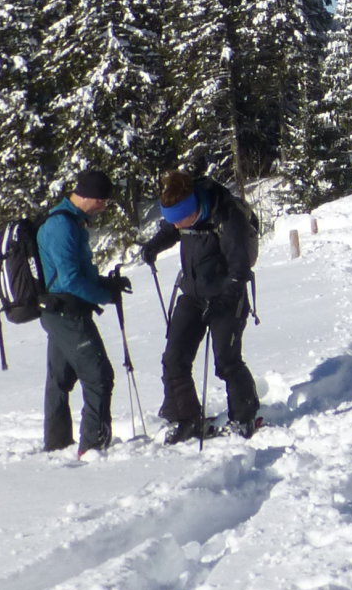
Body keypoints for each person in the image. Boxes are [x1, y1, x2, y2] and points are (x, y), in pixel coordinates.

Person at [143, 169, 260, 441]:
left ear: (195, 206)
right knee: (174, 358)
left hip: (228, 295)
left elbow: (240, 266)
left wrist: (225, 298)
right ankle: (188, 420)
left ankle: (244, 418)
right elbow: (170, 230)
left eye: (183, 220)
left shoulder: (227, 216)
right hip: (193, 294)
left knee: (226, 361)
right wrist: (153, 247)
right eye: (175, 222)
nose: (179, 226)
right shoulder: (181, 217)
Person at [36, 167, 132, 455]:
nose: (103, 206)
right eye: (101, 200)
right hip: (67, 313)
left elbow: (74, 273)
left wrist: (106, 284)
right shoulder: (62, 226)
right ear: (88, 196)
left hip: (60, 311)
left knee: (60, 380)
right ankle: (92, 446)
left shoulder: (71, 222)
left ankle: (56, 445)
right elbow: (69, 279)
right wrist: (105, 295)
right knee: (99, 376)